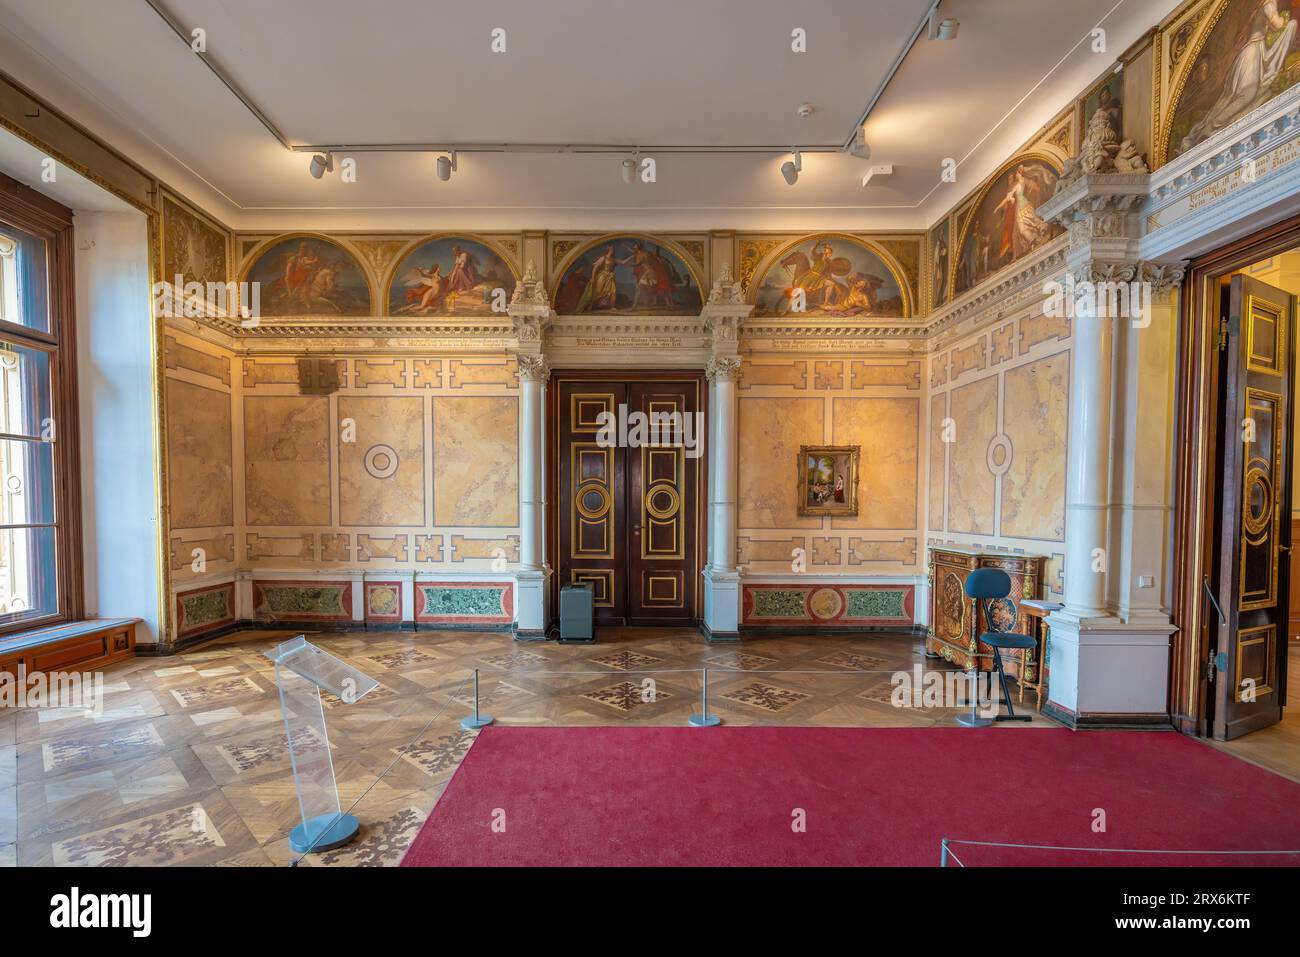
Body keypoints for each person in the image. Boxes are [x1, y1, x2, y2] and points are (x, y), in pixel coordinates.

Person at [1181, 0, 1298, 153]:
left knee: (1231, 97)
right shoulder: (1269, 4)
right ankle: (1214, 127)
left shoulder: (1262, 5)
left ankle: (1210, 127)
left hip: (1251, 52)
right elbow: (1277, 25)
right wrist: (1286, 18)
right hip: (1252, 53)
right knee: (1246, 94)